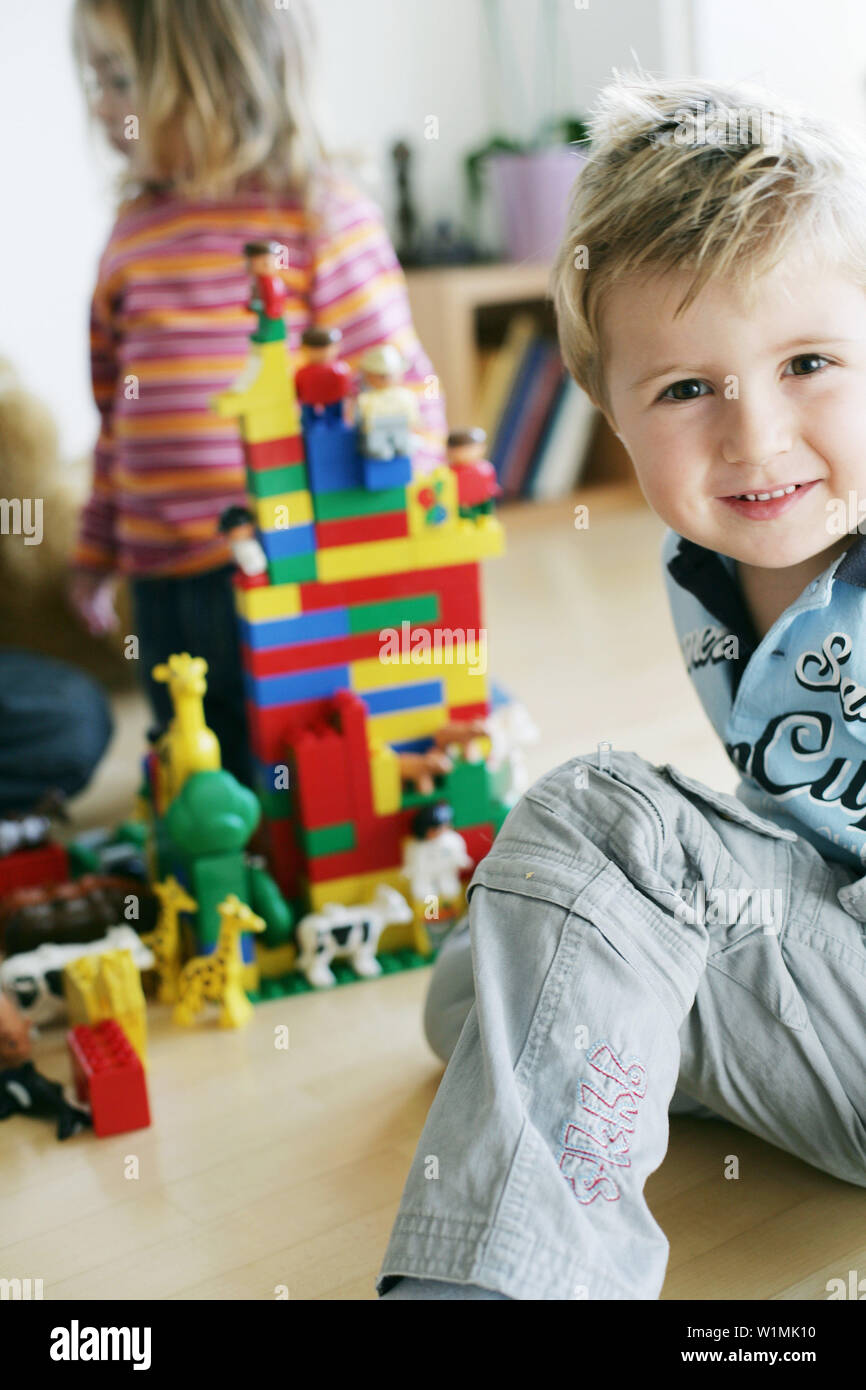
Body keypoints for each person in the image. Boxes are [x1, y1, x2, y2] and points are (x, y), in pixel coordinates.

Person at [377, 71, 866, 1300]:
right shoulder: (700, 564)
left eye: (807, 361)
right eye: (686, 390)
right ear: (607, 410)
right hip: (831, 984)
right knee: (483, 983)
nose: (752, 437)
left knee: (598, 827)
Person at [67, 0, 447, 787]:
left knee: (297, 757)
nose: (101, 105)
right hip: (159, 574)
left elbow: (399, 385)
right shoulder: (132, 235)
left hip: (284, 563)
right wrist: (96, 547)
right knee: (194, 764)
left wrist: (405, 515)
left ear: (221, 75)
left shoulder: (318, 217)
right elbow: (117, 421)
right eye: (95, 79)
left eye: (121, 79)